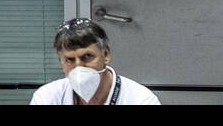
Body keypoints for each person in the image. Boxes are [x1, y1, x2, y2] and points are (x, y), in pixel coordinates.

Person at [30, 18, 161, 105]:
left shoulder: (141, 100)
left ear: (106, 54)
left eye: (87, 57)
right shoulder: (46, 98)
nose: (79, 67)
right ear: (61, 63)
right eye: (69, 60)